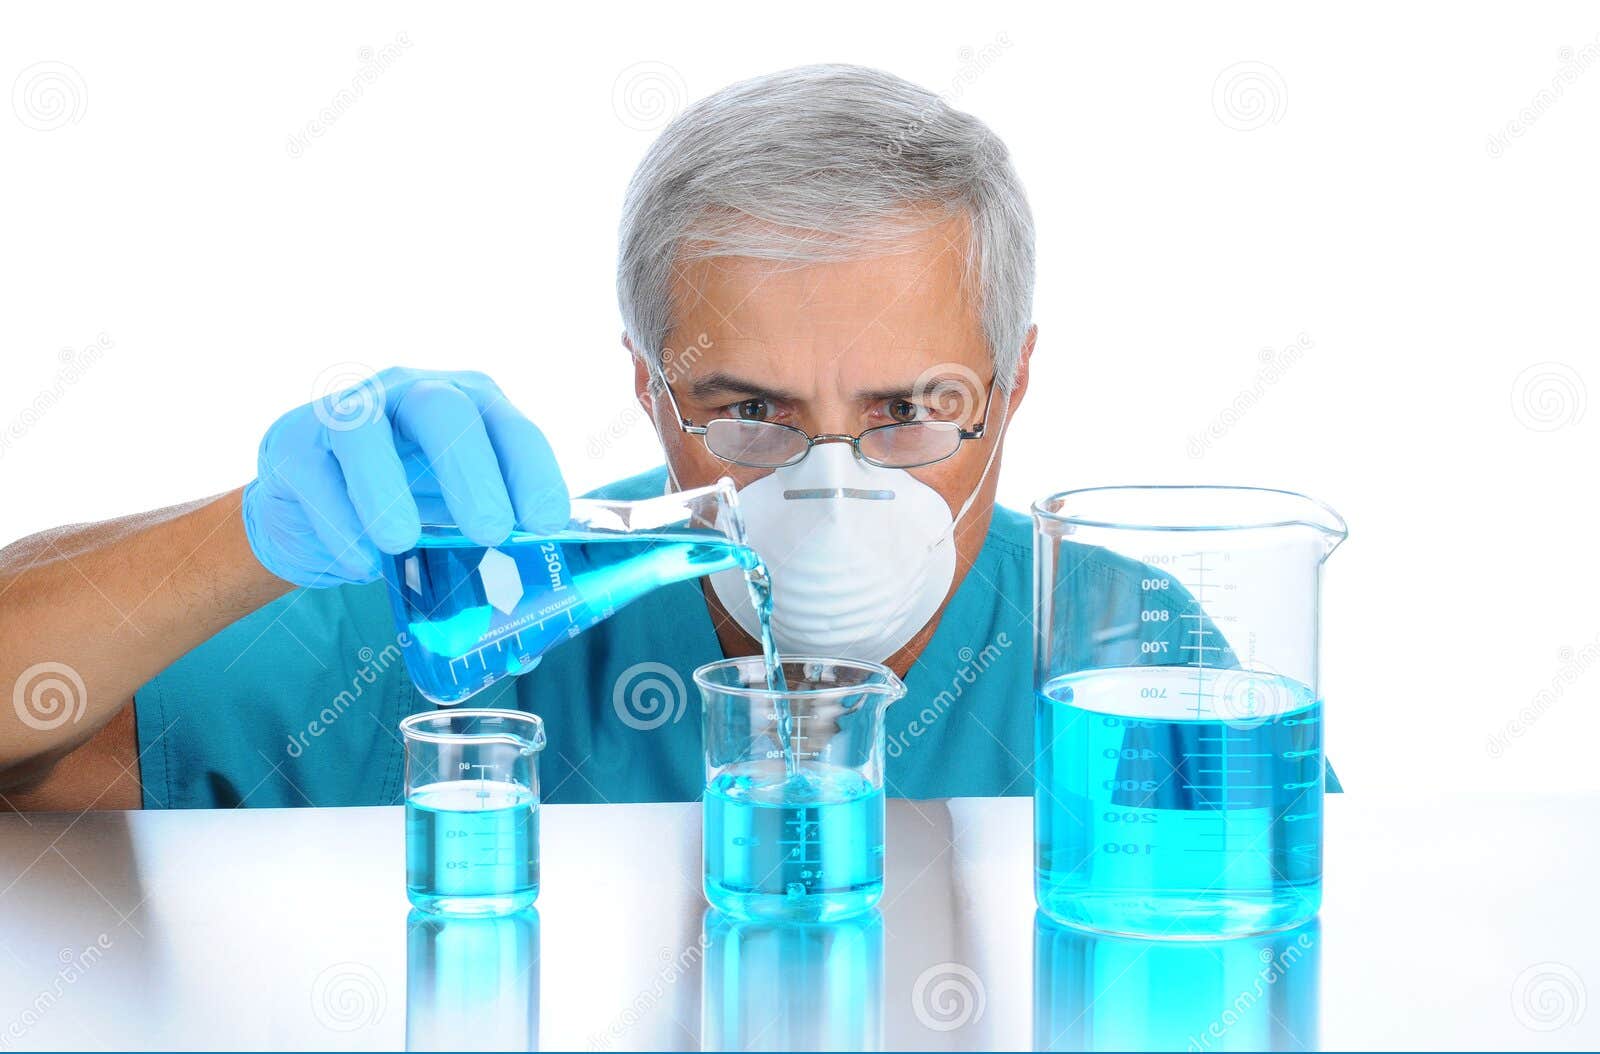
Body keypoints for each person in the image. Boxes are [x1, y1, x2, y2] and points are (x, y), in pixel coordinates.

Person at [0, 64, 1335, 811]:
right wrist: (254, 534)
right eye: (751, 411)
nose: (834, 484)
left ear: (1014, 382)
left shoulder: (1114, 657)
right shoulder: (507, 612)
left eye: (912, 410)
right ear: (649, 391)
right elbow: (32, 746)